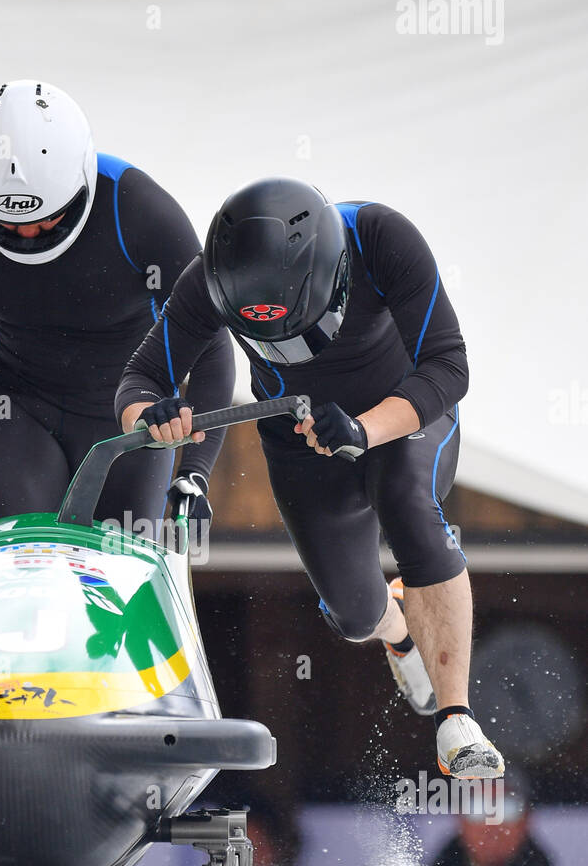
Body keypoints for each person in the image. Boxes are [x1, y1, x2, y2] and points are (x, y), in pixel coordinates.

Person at [116, 177, 504, 781]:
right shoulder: (208, 280)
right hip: (301, 445)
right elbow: (141, 378)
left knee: (406, 503)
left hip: (404, 419)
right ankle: (400, 630)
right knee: (353, 616)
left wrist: (365, 430)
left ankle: (456, 721)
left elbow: (449, 368)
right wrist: (153, 416)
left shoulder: (382, 238)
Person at [0, 79, 233, 540]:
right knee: (17, 560)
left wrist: (195, 473)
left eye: (45, 219)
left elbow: (211, 342)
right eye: (9, 224)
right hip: (13, 408)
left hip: (129, 416)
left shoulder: (140, 210)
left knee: (115, 576)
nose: (29, 235)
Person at [426, 766, 562, 866]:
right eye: (478, 808)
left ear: (526, 818)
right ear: (459, 817)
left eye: (506, 808)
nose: (492, 823)